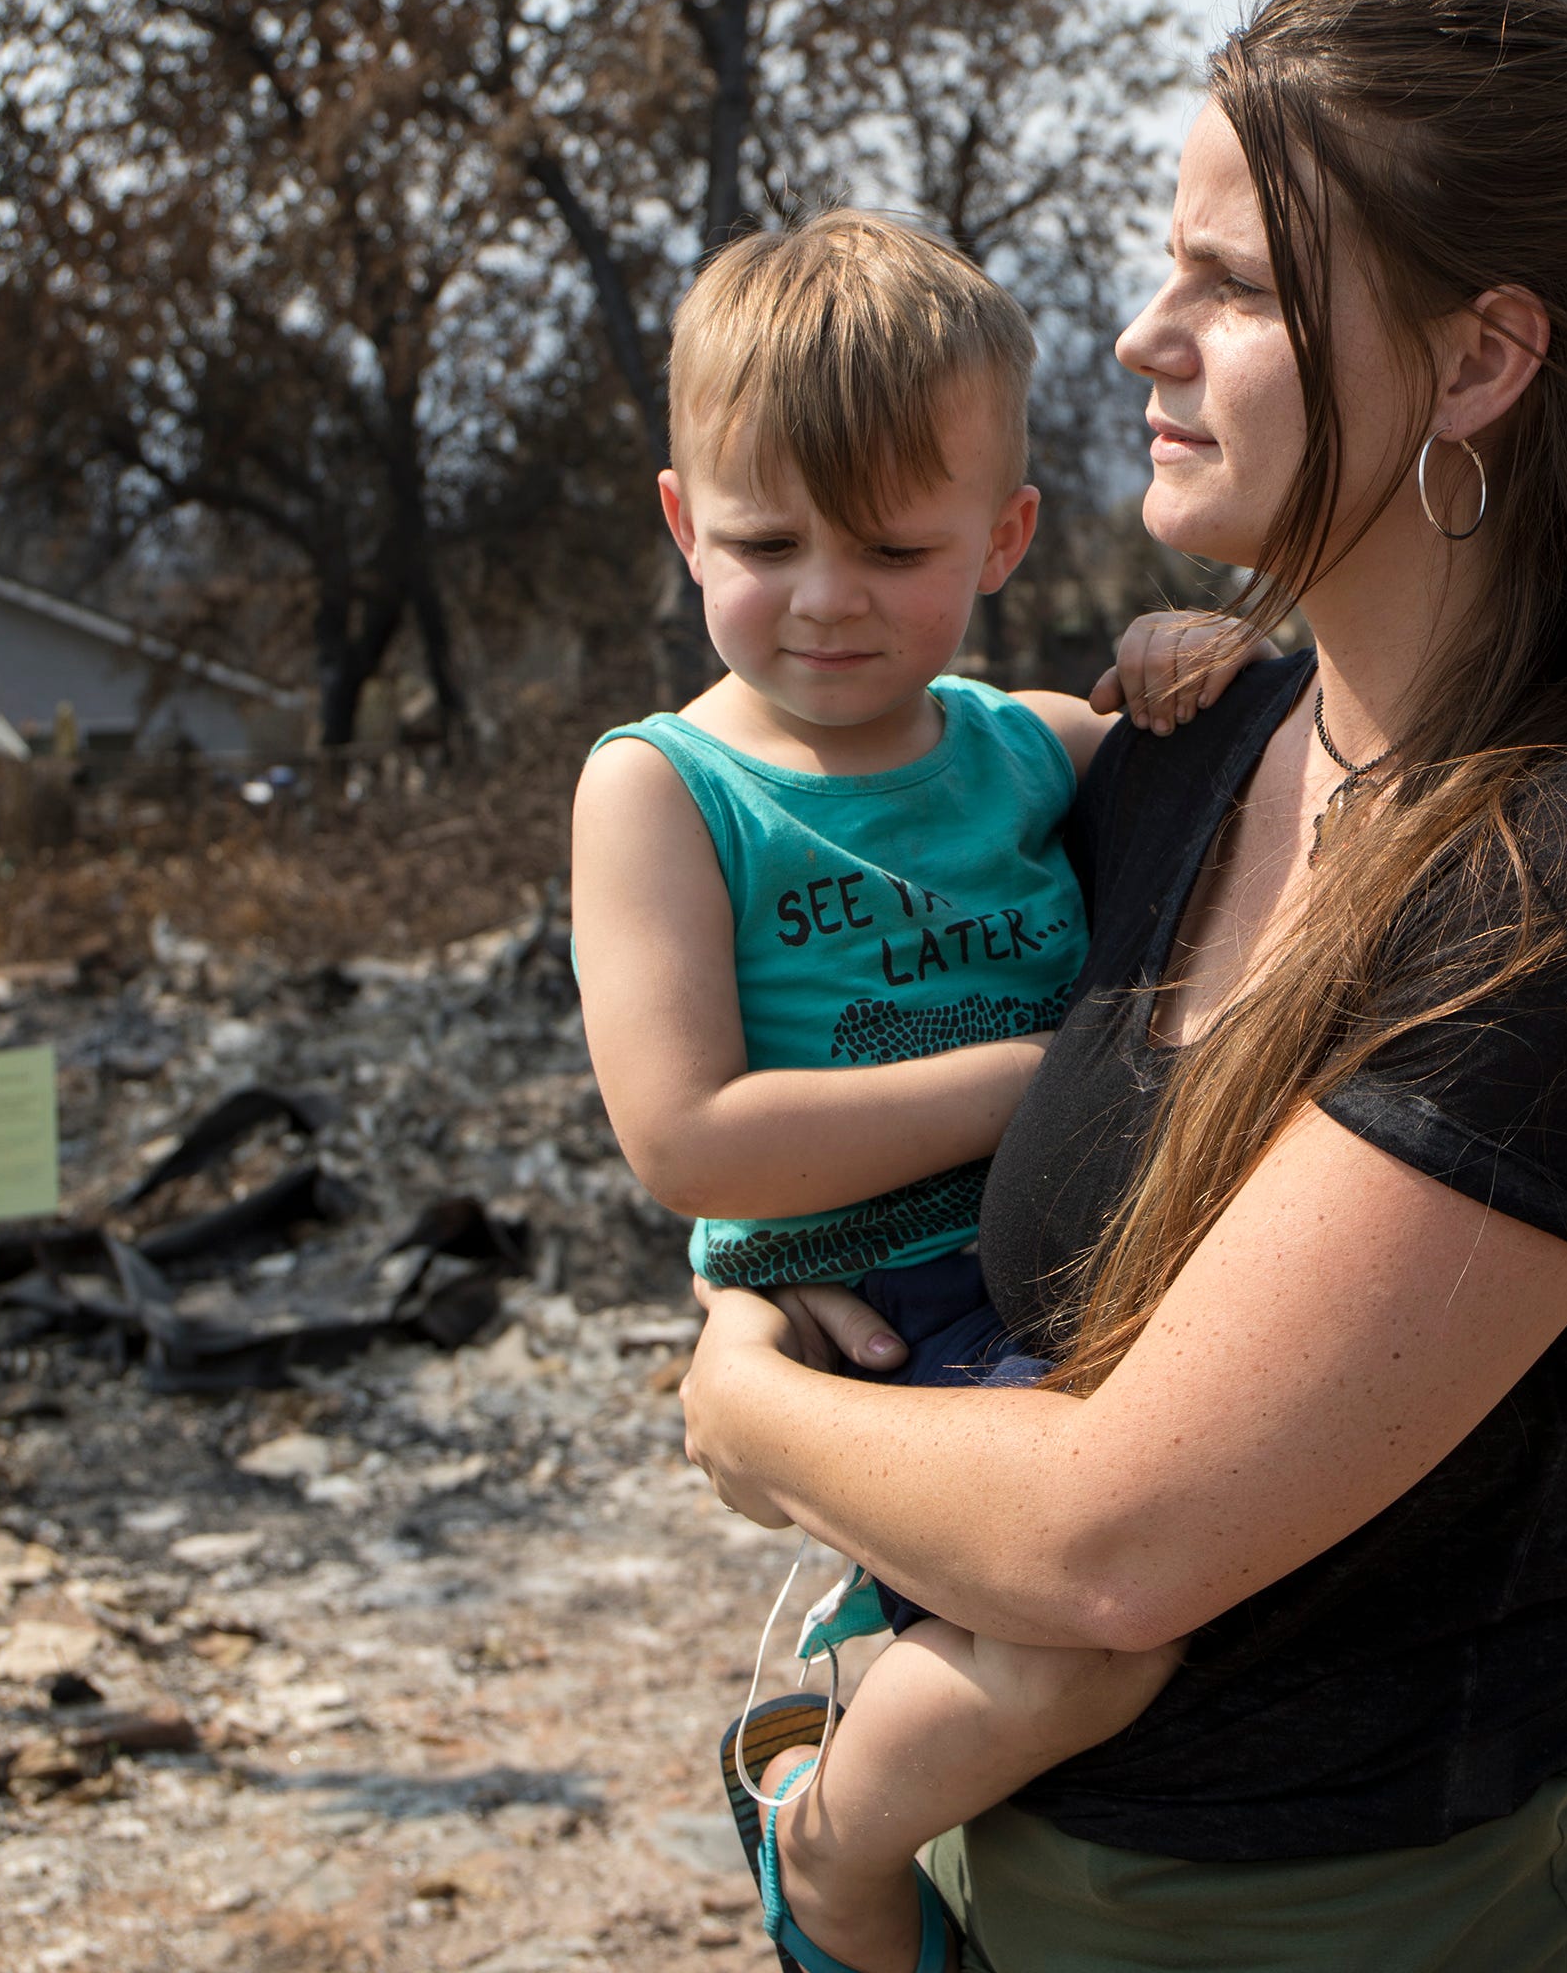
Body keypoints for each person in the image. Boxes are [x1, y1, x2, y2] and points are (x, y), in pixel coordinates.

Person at [680, 0, 1567, 1972]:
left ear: (1482, 362)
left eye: (1230, 289)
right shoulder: (1183, 764)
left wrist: (743, 1412)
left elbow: (1113, 1538)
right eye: (1168, 269)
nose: (1146, 337)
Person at [575, 209, 1223, 1973]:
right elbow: (683, 1133)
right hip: (872, 1297)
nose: (825, 596)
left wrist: (1185, 653)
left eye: (890, 543)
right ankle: (837, 1845)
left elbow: (1212, 758)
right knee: (1106, 1626)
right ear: (677, 522)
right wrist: (1046, 1081)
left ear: (1005, 535)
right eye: (764, 539)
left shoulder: (1031, 743)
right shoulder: (667, 789)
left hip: (1084, 1274)